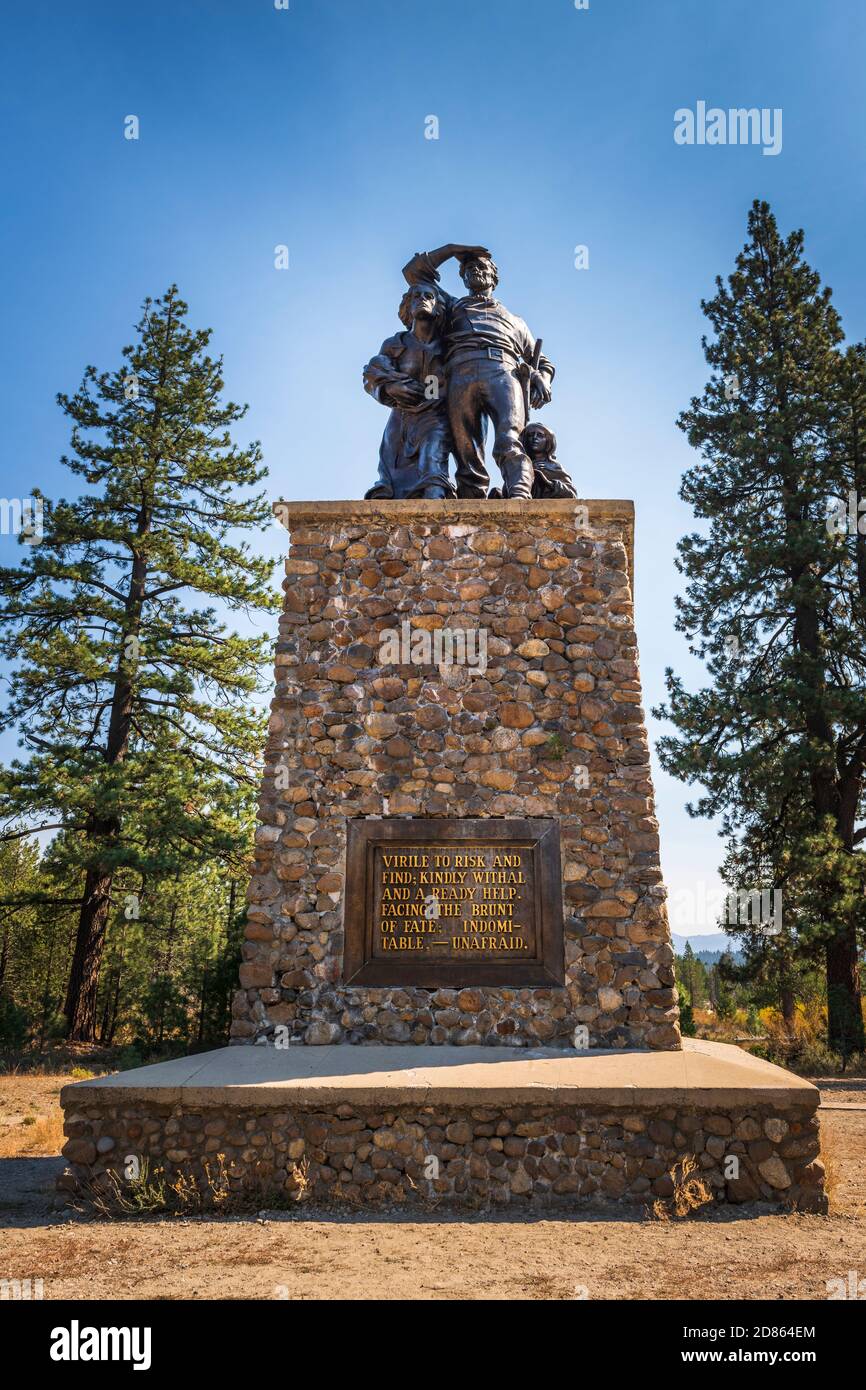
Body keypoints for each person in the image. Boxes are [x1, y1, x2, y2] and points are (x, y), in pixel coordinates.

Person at [402, 243, 554, 499]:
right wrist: (451, 250)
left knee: (509, 439)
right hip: (460, 374)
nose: (474, 270)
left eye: (481, 266)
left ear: (494, 276)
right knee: (466, 448)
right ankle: (471, 504)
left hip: (504, 374)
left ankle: (518, 495)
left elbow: (544, 362)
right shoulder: (451, 306)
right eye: (468, 268)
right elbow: (414, 273)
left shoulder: (516, 321)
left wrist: (543, 377)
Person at [362, 280, 456, 500]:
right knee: (392, 474)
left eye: (429, 296)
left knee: (433, 459)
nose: (422, 299)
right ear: (408, 306)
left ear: (438, 306)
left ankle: (436, 517)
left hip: (436, 417)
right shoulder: (395, 343)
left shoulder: (449, 346)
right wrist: (390, 387)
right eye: (416, 296)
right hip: (401, 418)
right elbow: (373, 374)